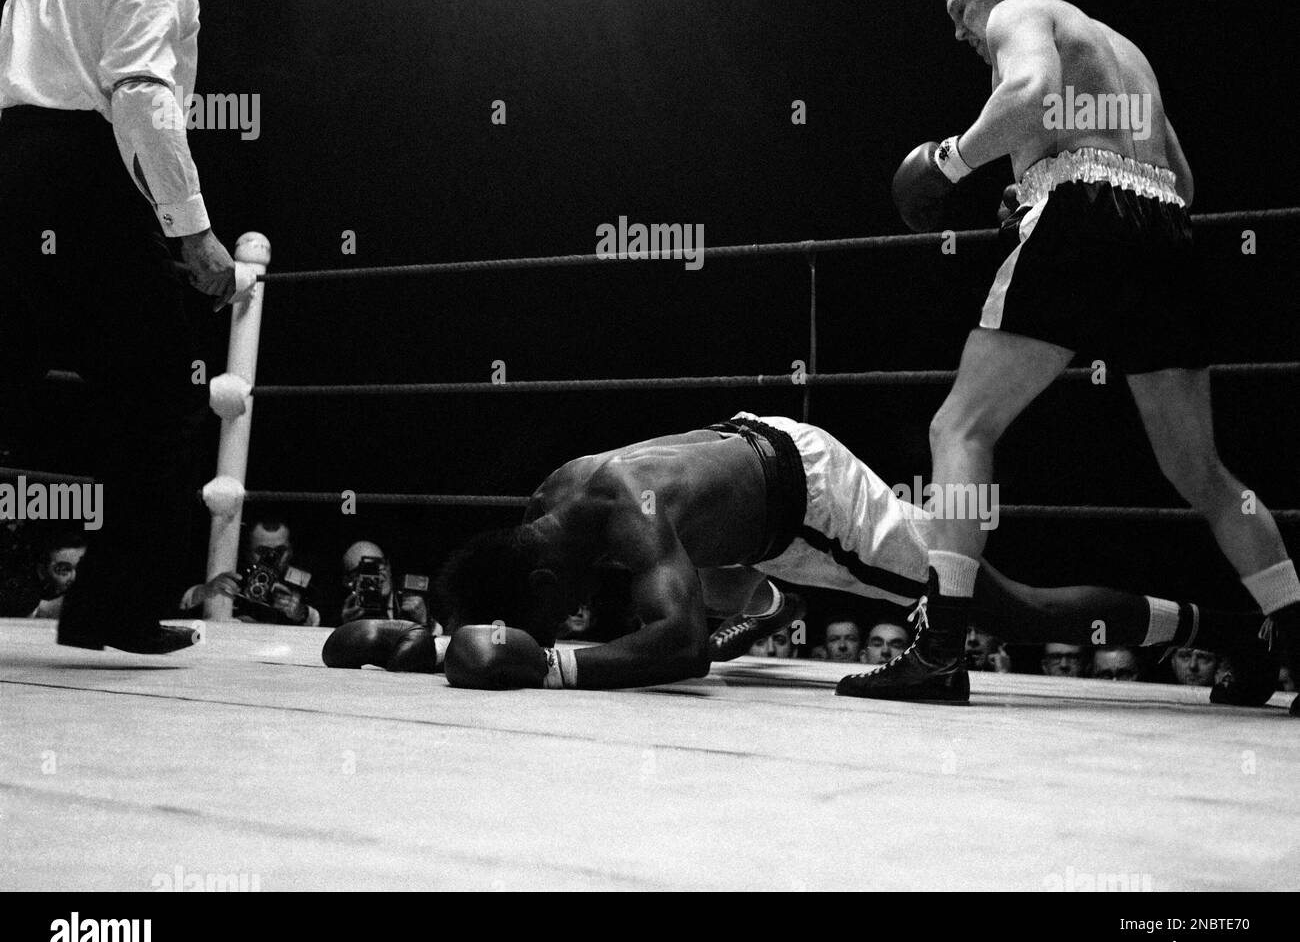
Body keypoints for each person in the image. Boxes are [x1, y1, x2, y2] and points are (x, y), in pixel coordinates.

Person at [882, 0, 1299, 713]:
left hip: (1089, 218)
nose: (961, 29)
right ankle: (1293, 630)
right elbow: (1180, 177)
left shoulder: (1020, 12)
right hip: (1164, 232)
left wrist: (950, 161)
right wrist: (1038, 184)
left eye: (959, 8)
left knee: (959, 428)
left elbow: (1031, 92)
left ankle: (939, 647)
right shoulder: (1123, 50)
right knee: (1197, 469)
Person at [324, 412, 1267, 696]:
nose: (561, 620)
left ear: (542, 579)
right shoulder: (547, 513)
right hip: (747, 479)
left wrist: (554, 665)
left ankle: (1227, 625)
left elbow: (683, 650)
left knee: (997, 606)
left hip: (816, 505)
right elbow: (508, 588)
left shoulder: (626, 512)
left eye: (552, 609)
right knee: (644, 599)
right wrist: (433, 637)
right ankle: (760, 596)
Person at [0, 0, 245, 655]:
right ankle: (114, 603)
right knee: (158, 390)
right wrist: (194, 231)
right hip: (82, 177)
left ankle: (109, 600)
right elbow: (141, 92)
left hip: (18, 174)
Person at [180, 518, 320, 627]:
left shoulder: (300, 582)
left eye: (280, 551)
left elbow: (325, 618)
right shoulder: (232, 574)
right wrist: (205, 591)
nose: (272, 558)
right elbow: (182, 604)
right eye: (263, 552)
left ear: (290, 551)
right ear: (247, 552)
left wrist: (301, 612)